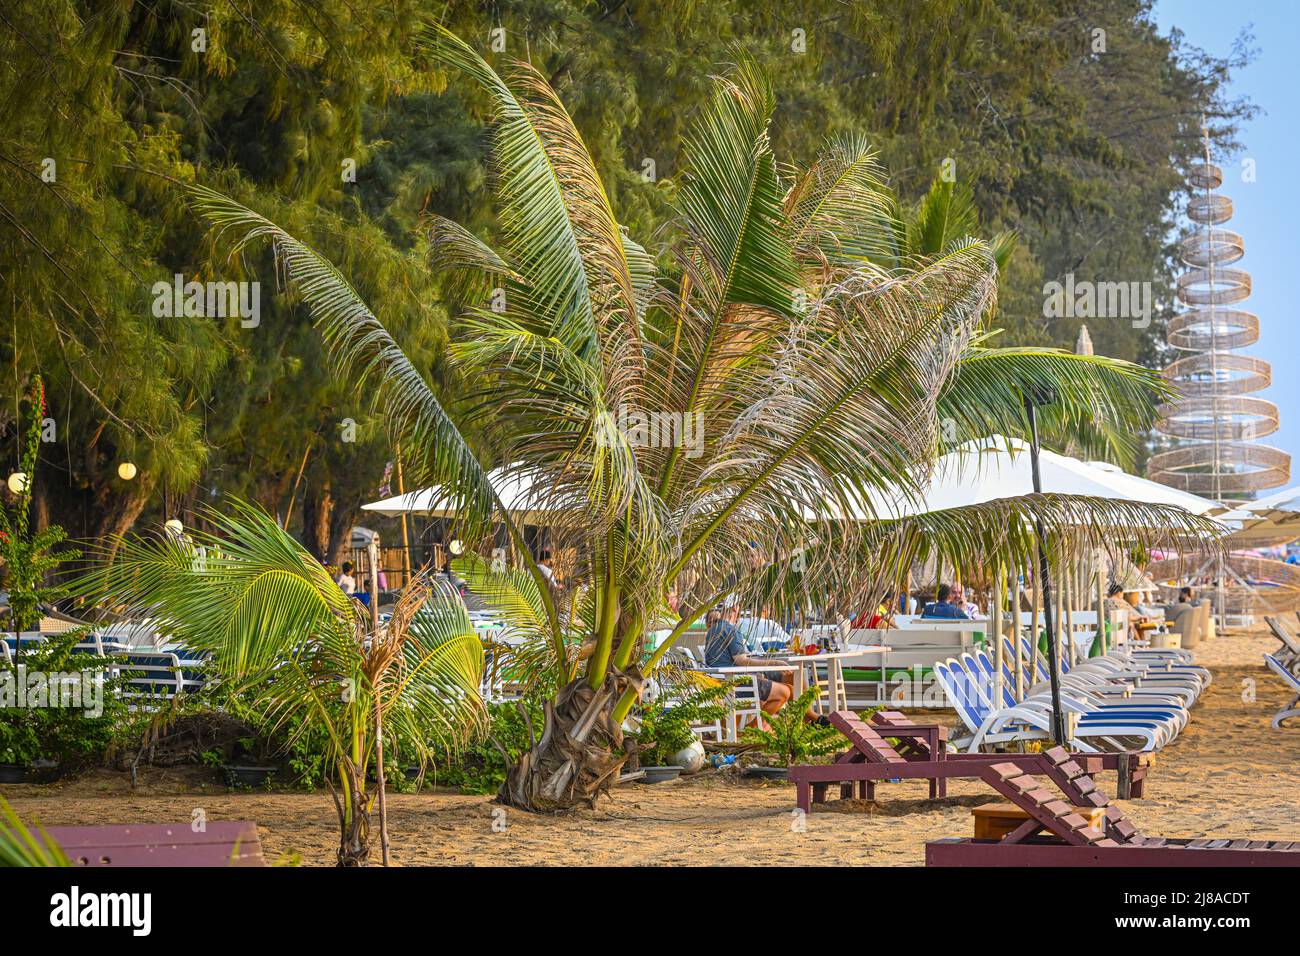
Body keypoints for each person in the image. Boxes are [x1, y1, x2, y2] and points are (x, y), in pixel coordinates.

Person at [705, 605, 795, 716]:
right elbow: (741, 660)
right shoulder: (730, 629)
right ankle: (754, 728)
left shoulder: (713, 629)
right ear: (734, 609)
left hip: (721, 682)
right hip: (734, 684)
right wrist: (775, 663)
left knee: (789, 685)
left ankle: (815, 718)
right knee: (784, 691)